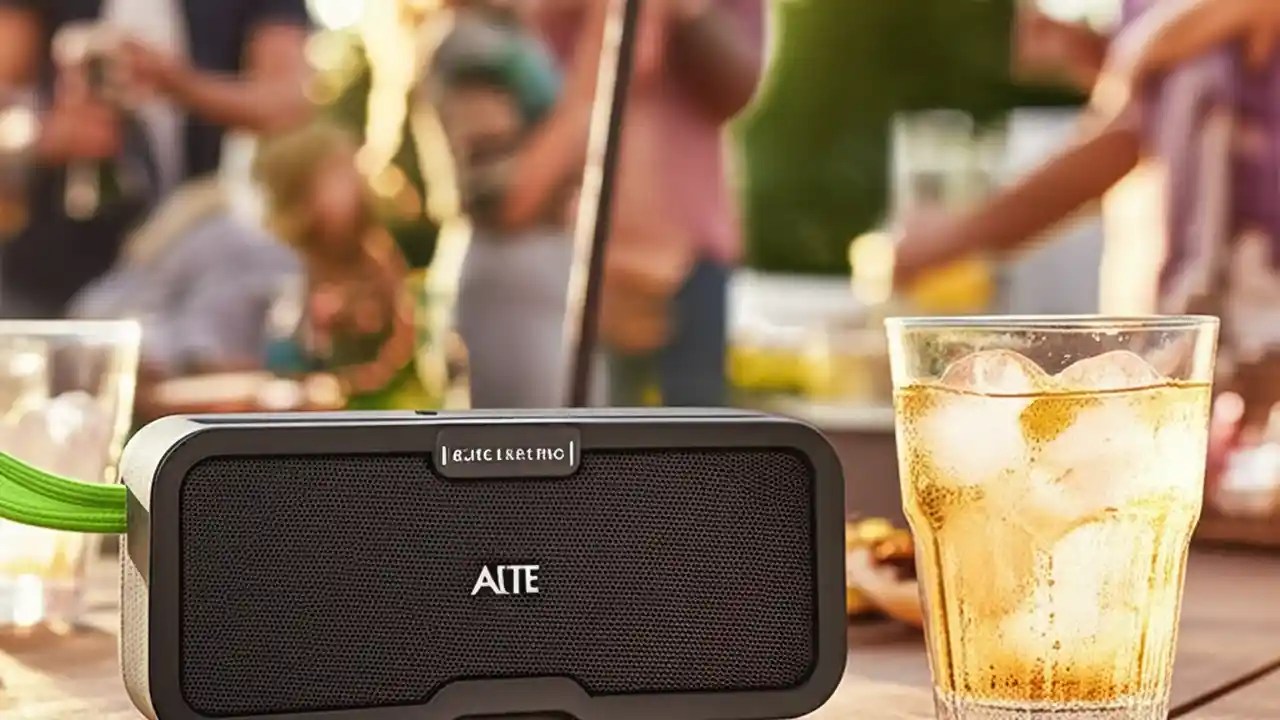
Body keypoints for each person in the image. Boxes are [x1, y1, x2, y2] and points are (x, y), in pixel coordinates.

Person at [894, 0, 1280, 448]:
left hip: (1255, 332)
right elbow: (1161, 115)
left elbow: (1119, 140)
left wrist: (949, 238)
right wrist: (1104, 56)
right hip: (1200, 332)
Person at [0, 0, 310, 318]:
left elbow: (288, 102)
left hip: (189, 276)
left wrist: (178, 84)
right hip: (40, 274)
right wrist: (48, 134)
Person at [535, 0, 767, 408]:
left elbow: (738, 86)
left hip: (691, 252)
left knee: (693, 437)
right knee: (588, 434)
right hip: (580, 248)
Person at [416, 0, 573, 409]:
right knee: (528, 456)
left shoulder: (508, 36)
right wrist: (602, 56)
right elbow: (505, 198)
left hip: (533, 275)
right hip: (511, 276)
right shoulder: (469, 45)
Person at [254, 121, 429, 411]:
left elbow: (406, 337)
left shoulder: (378, 252)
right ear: (301, 192)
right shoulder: (282, 266)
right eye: (339, 174)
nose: (358, 181)